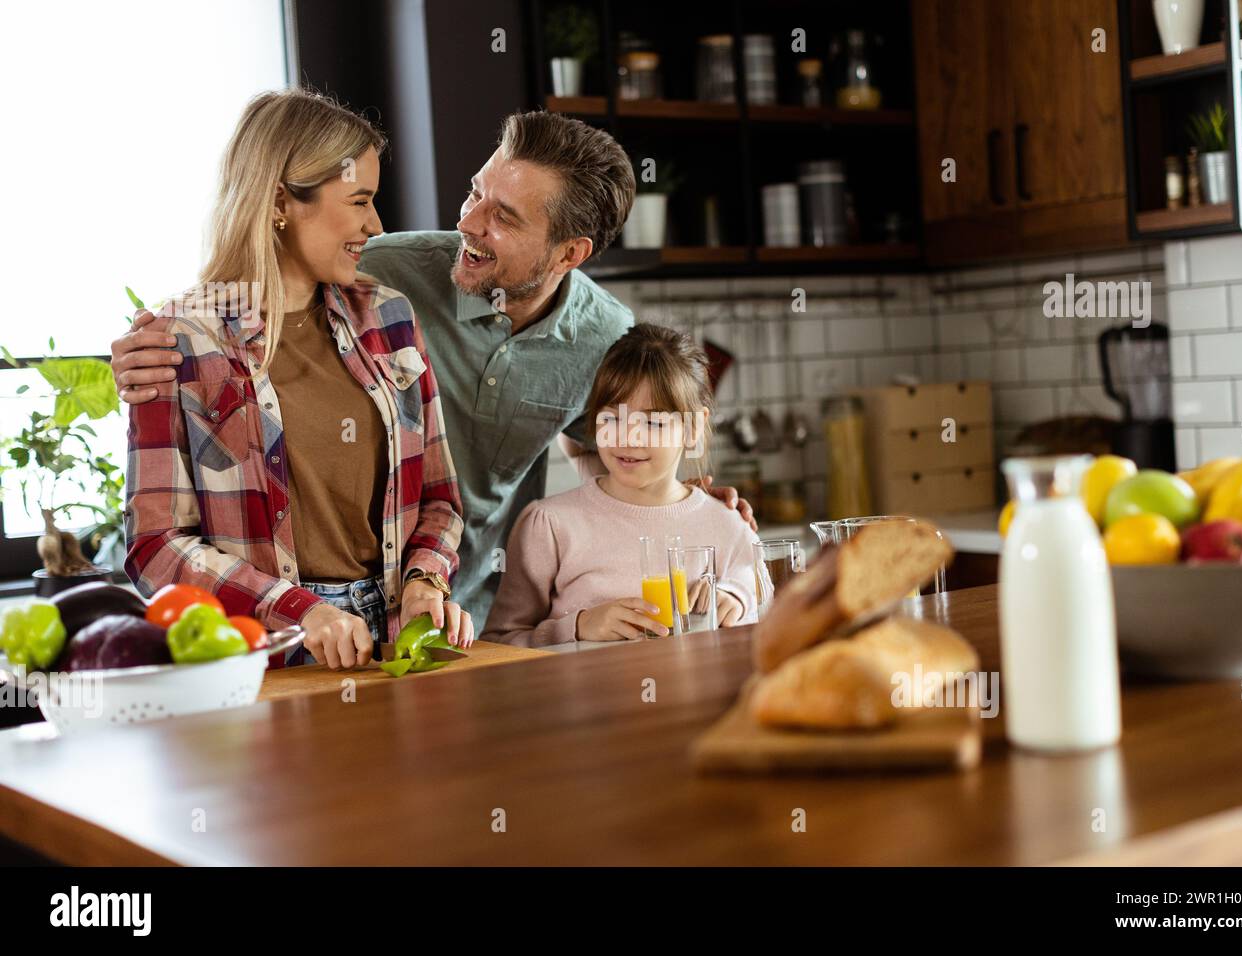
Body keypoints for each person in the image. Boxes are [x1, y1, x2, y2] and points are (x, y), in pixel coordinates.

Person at [111, 110, 755, 636]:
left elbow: (607, 452)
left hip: (461, 613)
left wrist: (686, 503)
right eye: (478, 192)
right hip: (282, 624)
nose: (469, 221)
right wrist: (150, 352)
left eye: (505, 217)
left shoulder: (606, 337)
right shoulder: (377, 276)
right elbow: (244, 293)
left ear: (570, 253)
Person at [125, 89, 469, 670]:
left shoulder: (389, 317)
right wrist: (301, 609)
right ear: (282, 200)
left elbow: (439, 497)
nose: (375, 224)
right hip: (262, 647)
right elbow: (154, 546)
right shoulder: (178, 339)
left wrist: (425, 581)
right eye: (359, 201)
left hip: (391, 640)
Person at [483, 324, 760, 646]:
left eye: (653, 422)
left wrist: (736, 601)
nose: (628, 437)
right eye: (612, 418)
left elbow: (760, 610)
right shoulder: (549, 524)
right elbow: (500, 643)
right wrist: (577, 627)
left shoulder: (728, 524)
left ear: (693, 427)